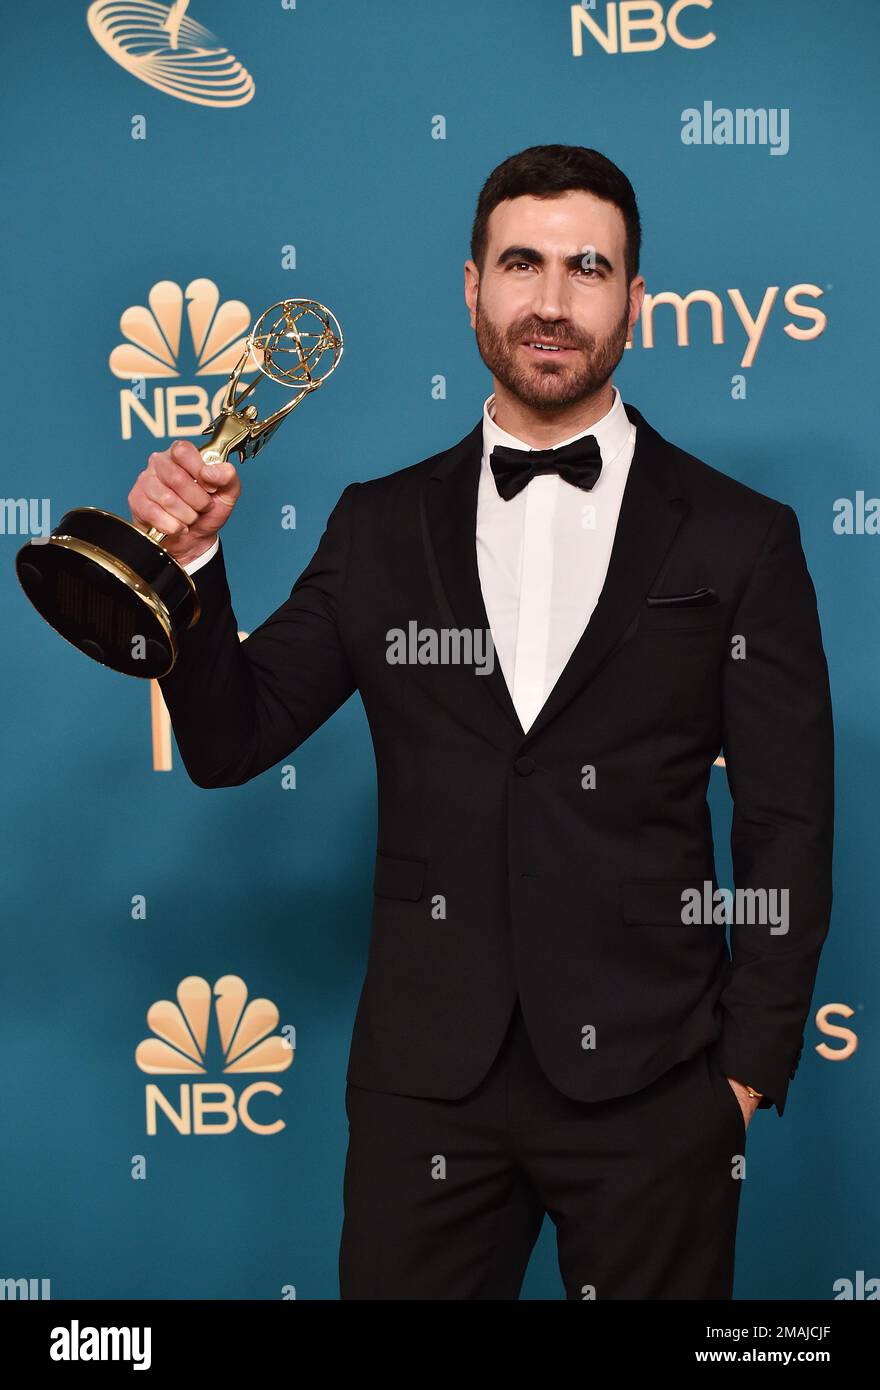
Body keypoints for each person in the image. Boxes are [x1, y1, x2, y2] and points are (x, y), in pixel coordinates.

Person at [129, 145, 834, 1300]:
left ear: (636, 304)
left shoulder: (738, 535)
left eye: (587, 268)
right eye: (521, 264)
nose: (551, 302)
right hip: (425, 1089)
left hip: (658, 1086)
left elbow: (787, 821)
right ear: (472, 289)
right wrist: (198, 562)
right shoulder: (377, 527)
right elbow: (228, 741)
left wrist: (744, 1073)